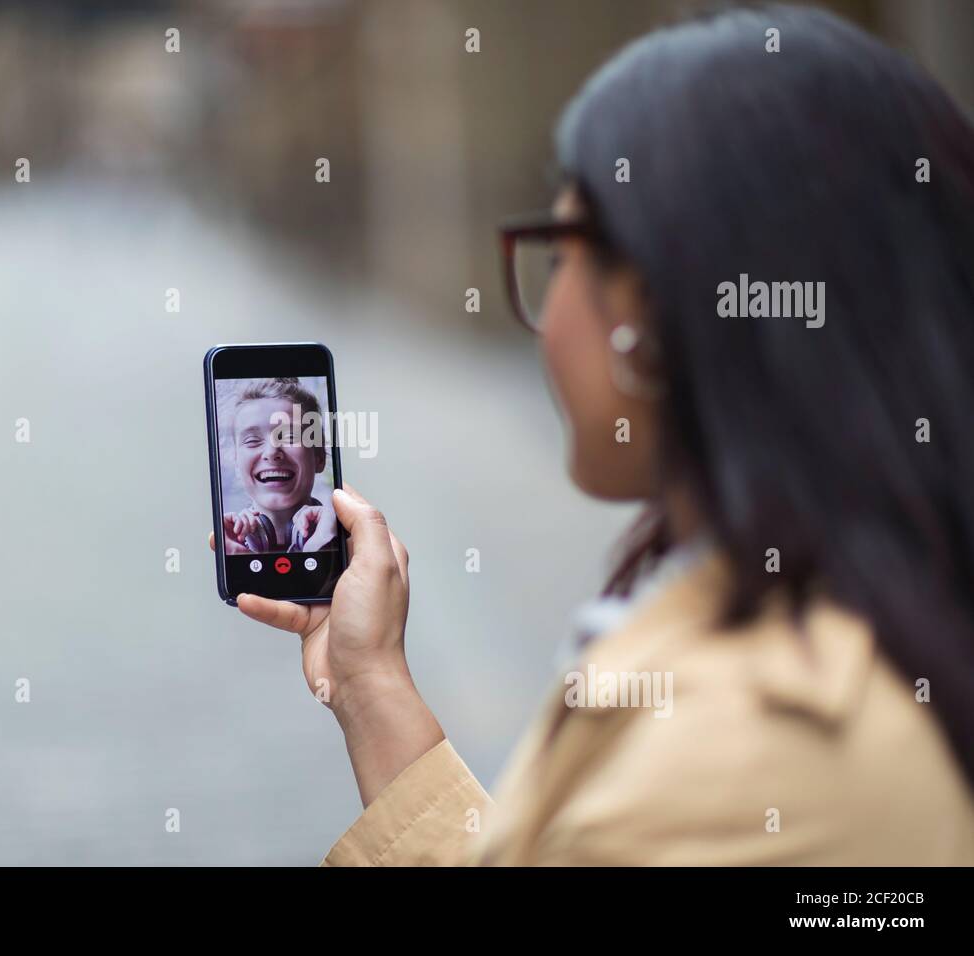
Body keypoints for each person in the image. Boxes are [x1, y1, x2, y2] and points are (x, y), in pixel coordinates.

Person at [215, 5, 974, 864]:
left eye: (558, 248)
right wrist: (368, 682)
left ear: (652, 305)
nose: (542, 312)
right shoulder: (848, 620)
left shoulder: (750, 754)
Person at [222, 378, 338, 555]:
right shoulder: (229, 543)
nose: (271, 452)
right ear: (237, 463)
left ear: (319, 456)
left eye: (290, 437)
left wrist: (323, 548)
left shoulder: (343, 537)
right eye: (252, 440)